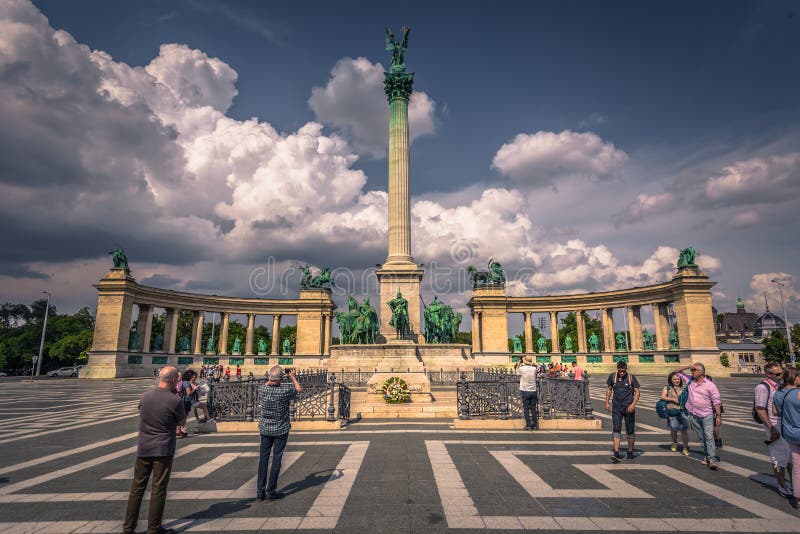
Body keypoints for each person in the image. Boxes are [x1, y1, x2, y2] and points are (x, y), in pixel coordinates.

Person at [123, 366, 186, 534]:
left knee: (137, 488)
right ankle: (154, 528)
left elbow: (143, 413)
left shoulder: (144, 397)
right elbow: (182, 423)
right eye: (177, 379)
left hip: (143, 447)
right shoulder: (175, 400)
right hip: (163, 449)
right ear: (173, 380)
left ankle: (128, 528)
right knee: (158, 489)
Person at [256, 365, 302, 501]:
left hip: (265, 429)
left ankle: (260, 492)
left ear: (270, 378)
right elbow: (299, 391)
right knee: (277, 458)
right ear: (281, 378)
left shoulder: (262, 389)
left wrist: (271, 380)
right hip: (280, 429)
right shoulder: (285, 391)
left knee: (263, 459)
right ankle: (271, 491)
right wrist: (293, 377)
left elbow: (266, 384)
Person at [674, 363, 722, 469]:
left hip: (707, 414)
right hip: (694, 414)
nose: (693, 371)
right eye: (692, 370)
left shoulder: (710, 385)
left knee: (709, 436)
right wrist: (689, 366)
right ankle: (708, 455)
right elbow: (676, 371)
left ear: (702, 372)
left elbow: (716, 401)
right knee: (701, 437)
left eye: (695, 370)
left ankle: (712, 459)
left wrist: (718, 415)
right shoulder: (689, 380)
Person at [755, 363, 792, 497]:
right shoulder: (762, 387)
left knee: (790, 456)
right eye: (777, 374)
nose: (781, 376)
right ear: (768, 374)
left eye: (781, 373)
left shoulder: (780, 384)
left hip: (785, 424)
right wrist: (770, 427)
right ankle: (782, 485)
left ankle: (793, 484)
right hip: (774, 426)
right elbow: (760, 408)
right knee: (779, 456)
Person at [773, 367, 800, 503]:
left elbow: (775, 412)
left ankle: (798, 497)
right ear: (794, 378)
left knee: (796, 466)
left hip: (789, 433)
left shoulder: (778, 394)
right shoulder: (798, 393)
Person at [606, 360, 640, 462]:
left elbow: (637, 391)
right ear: (617, 369)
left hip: (628, 407)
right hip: (616, 407)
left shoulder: (631, 377)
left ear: (626, 370)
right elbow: (609, 389)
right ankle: (616, 452)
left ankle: (630, 451)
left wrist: (633, 404)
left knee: (630, 430)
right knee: (616, 428)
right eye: (620, 371)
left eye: (623, 371)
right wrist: (607, 402)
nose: (622, 373)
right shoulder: (613, 377)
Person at [661, 371, 690, 456]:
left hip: (683, 411)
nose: (677, 380)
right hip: (672, 411)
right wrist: (673, 399)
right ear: (671, 380)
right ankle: (674, 442)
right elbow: (662, 397)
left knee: (684, 430)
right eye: (674, 379)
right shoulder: (667, 387)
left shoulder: (683, 388)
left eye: (678, 379)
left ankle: (685, 447)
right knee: (673, 429)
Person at [515, 356, 539, 430]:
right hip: (533, 391)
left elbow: (516, 372)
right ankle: (535, 425)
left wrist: (519, 363)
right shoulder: (534, 369)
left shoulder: (522, 369)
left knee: (526, 409)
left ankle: (528, 425)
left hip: (525, 391)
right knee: (533, 409)